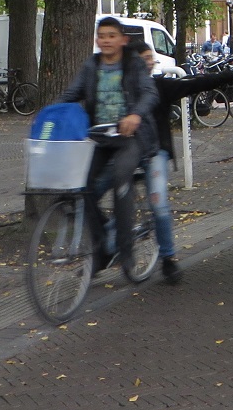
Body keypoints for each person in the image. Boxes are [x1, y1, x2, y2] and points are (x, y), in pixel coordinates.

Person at [127, 40, 233, 282]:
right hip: (125, 151)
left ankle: (168, 258)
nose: (150, 63)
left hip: (155, 152)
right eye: (144, 59)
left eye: (150, 58)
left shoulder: (160, 87)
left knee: (159, 204)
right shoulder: (118, 90)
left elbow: (196, 83)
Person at [58, 17, 160, 277]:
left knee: (120, 180)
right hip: (101, 138)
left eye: (111, 36)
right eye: (102, 36)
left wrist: (135, 115)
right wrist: (52, 113)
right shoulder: (91, 65)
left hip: (130, 138)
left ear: (123, 40)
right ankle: (101, 249)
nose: (106, 40)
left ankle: (127, 252)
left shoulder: (134, 63)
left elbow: (150, 93)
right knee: (83, 187)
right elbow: (72, 94)